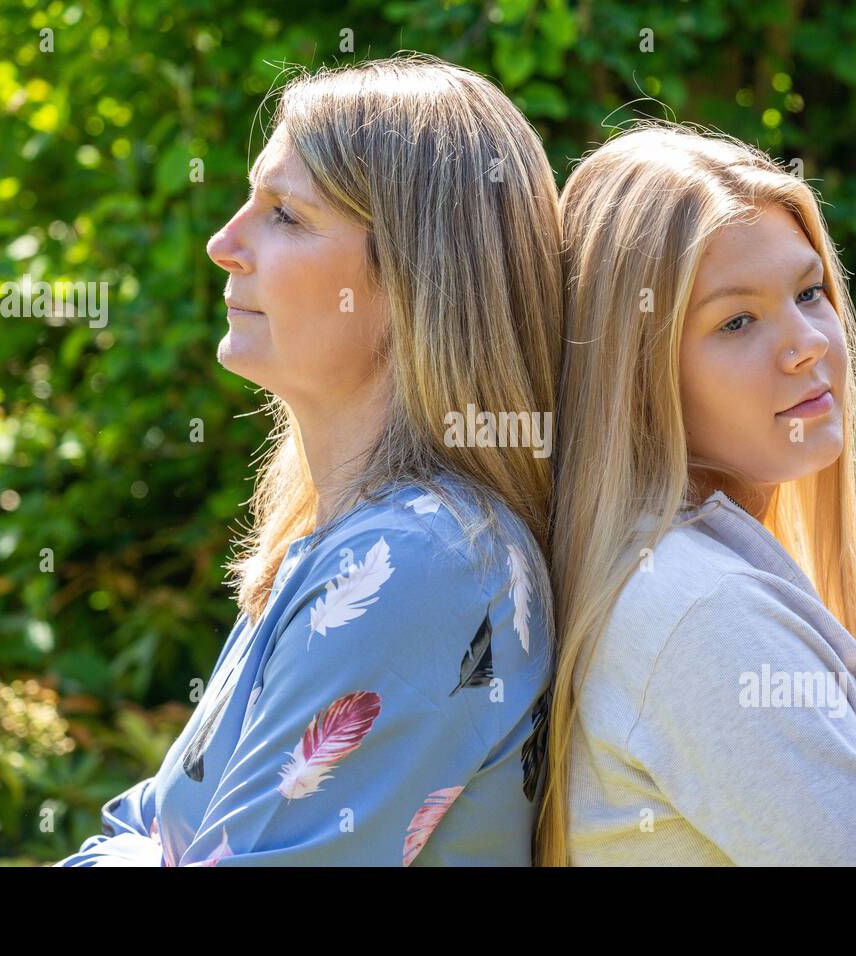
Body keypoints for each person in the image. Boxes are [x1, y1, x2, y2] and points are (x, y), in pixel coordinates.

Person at [57, 54, 559, 866]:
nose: (225, 243)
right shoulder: (339, 546)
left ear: (414, 280)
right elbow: (139, 826)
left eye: (285, 215)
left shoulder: (423, 564)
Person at [537, 123, 856, 866]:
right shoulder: (699, 612)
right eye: (736, 320)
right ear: (633, 374)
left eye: (810, 292)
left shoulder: (662, 575)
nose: (807, 343)